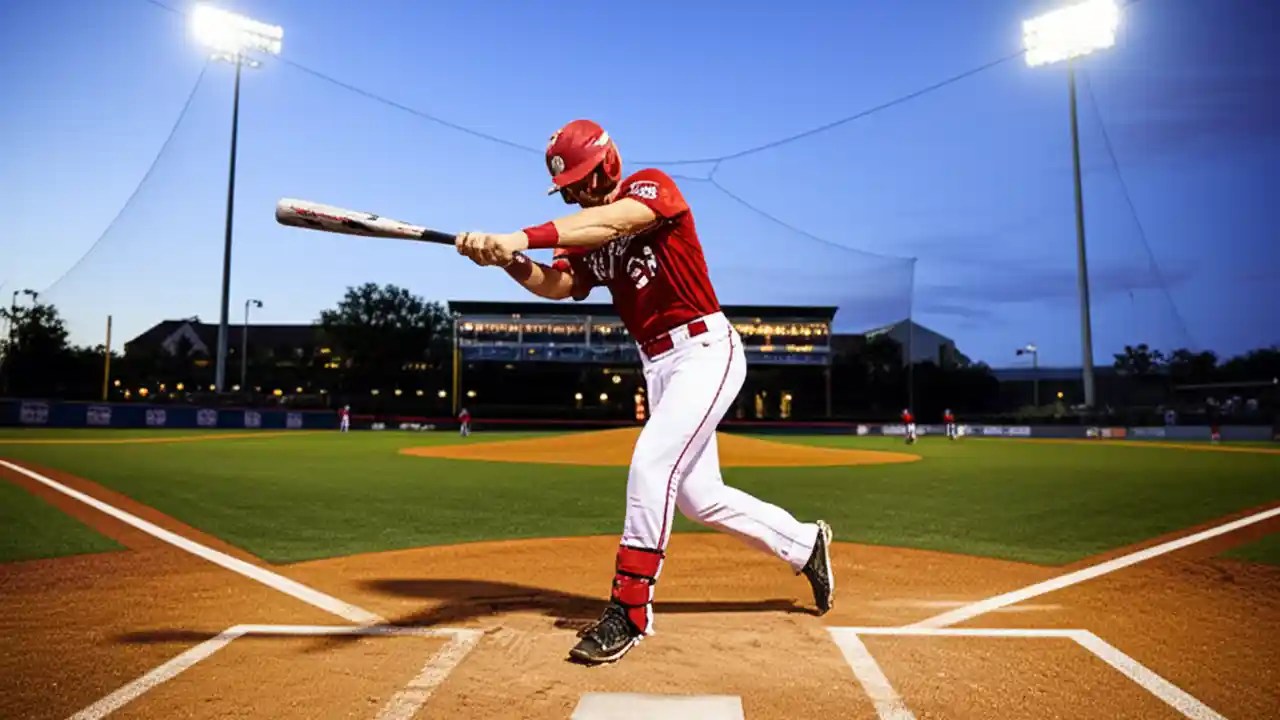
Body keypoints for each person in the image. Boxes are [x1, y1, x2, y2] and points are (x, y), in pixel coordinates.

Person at [454, 119, 834, 665]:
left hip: (706, 350)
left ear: (608, 165)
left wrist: (521, 236)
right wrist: (509, 261)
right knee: (701, 498)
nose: (578, 192)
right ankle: (805, 545)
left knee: (651, 466)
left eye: (583, 180)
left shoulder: (648, 189)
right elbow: (561, 286)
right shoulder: (585, 231)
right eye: (570, 186)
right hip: (658, 365)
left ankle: (629, 610)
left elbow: (615, 222)